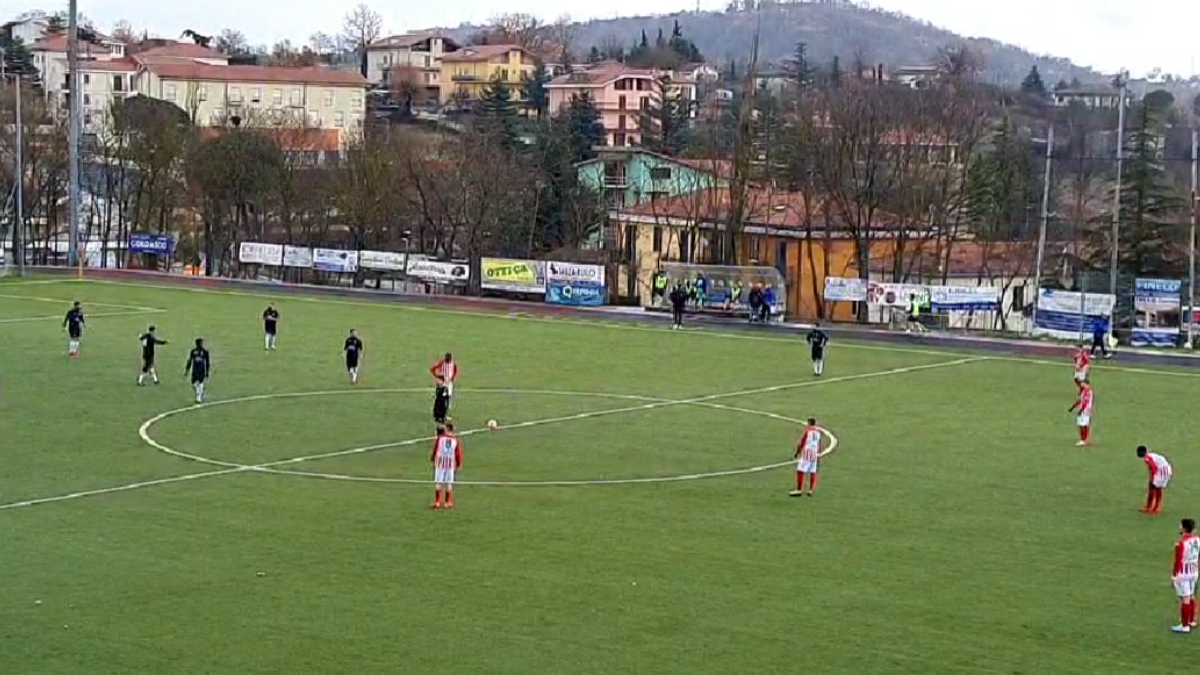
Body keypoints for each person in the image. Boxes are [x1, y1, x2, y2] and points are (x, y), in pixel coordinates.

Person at [1170, 518, 1199, 633]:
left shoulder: (1181, 544)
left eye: (1180, 525)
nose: (1179, 527)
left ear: (1185, 528)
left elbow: (1178, 561)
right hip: (1194, 572)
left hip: (1183, 574)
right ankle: (1192, 621)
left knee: (1185, 598)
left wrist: (1174, 576)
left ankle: (1185, 626)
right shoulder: (1197, 540)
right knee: (1192, 596)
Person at [430, 422, 462, 509]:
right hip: (450, 463)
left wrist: (432, 459)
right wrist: (458, 464)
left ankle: (437, 502)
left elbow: (435, 449)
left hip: (440, 462)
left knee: (438, 481)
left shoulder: (440, 438)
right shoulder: (455, 440)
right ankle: (447, 502)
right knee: (449, 482)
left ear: (447, 428)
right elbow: (458, 454)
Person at [791, 418, 823, 497]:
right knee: (813, 471)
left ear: (809, 423)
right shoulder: (818, 433)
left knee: (800, 470)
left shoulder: (808, 432)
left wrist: (797, 453)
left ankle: (799, 490)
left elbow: (802, 443)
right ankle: (811, 490)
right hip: (814, 453)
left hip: (807, 453)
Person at [1136, 446, 1173, 514]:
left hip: (1162, 471)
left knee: (1156, 488)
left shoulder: (1147, 458)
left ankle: (1155, 507)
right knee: (1155, 488)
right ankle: (1151, 506)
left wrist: (1152, 479)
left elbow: (1153, 468)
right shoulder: (1150, 456)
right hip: (1166, 469)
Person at [184, 338, 212, 405]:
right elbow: (190, 361)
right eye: (201, 343)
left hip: (201, 370)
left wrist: (207, 371)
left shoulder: (205, 352)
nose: (202, 344)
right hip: (195, 370)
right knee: (193, 383)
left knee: (200, 382)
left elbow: (207, 362)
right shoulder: (193, 351)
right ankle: (199, 392)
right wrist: (187, 370)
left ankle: (199, 397)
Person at [1068, 381, 1094, 446]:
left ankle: (1083, 440)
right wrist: (1073, 407)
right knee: (1084, 425)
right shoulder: (1085, 390)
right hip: (1085, 410)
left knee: (1082, 425)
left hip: (1085, 411)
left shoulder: (1088, 391)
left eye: (1083, 383)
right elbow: (1080, 400)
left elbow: (1085, 401)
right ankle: (1086, 440)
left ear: (1087, 384)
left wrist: (1081, 410)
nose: (1081, 385)